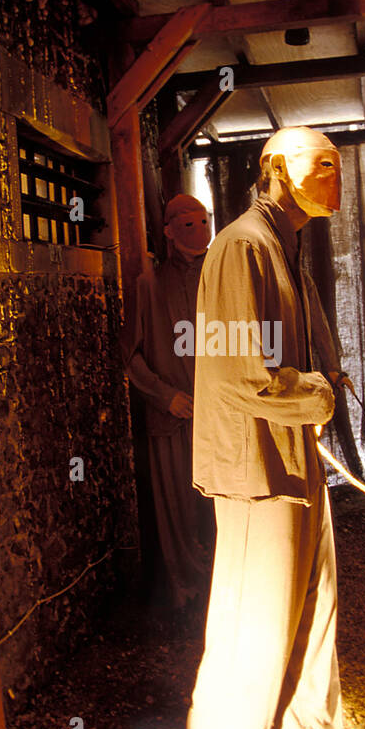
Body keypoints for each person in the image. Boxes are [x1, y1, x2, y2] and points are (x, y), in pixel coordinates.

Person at [187, 126, 349, 729]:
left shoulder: (286, 250)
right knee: (248, 640)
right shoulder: (240, 249)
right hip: (258, 471)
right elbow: (240, 375)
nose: (335, 176)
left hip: (294, 460)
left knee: (316, 618)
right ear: (276, 170)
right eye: (322, 165)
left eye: (339, 166)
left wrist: (319, 390)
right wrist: (320, 396)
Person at [125, 194, 216, 611]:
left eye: (204, 221)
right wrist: (166, 396)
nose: (199, 231)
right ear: (168, 232)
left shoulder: (225, 278)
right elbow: (128, 355)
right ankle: (187, 595)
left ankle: (224, 592)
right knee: (176, 511)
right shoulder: (148, 286)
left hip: (220, 418)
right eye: (187, 224)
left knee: (220, 507)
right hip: (171, 420)